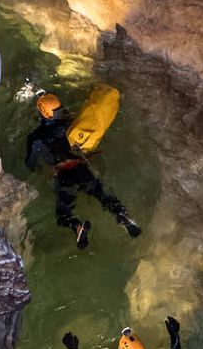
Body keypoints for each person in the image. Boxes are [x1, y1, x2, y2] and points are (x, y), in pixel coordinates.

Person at [24, 92, 140, 248]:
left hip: (63, 174)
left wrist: (42, 169)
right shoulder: (72, 124)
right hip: (80, 167)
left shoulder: (35, 137)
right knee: (102, 194)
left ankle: (77, 226)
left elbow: (31, 165)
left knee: (63, 213)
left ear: (42, 112)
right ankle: (122, 216)